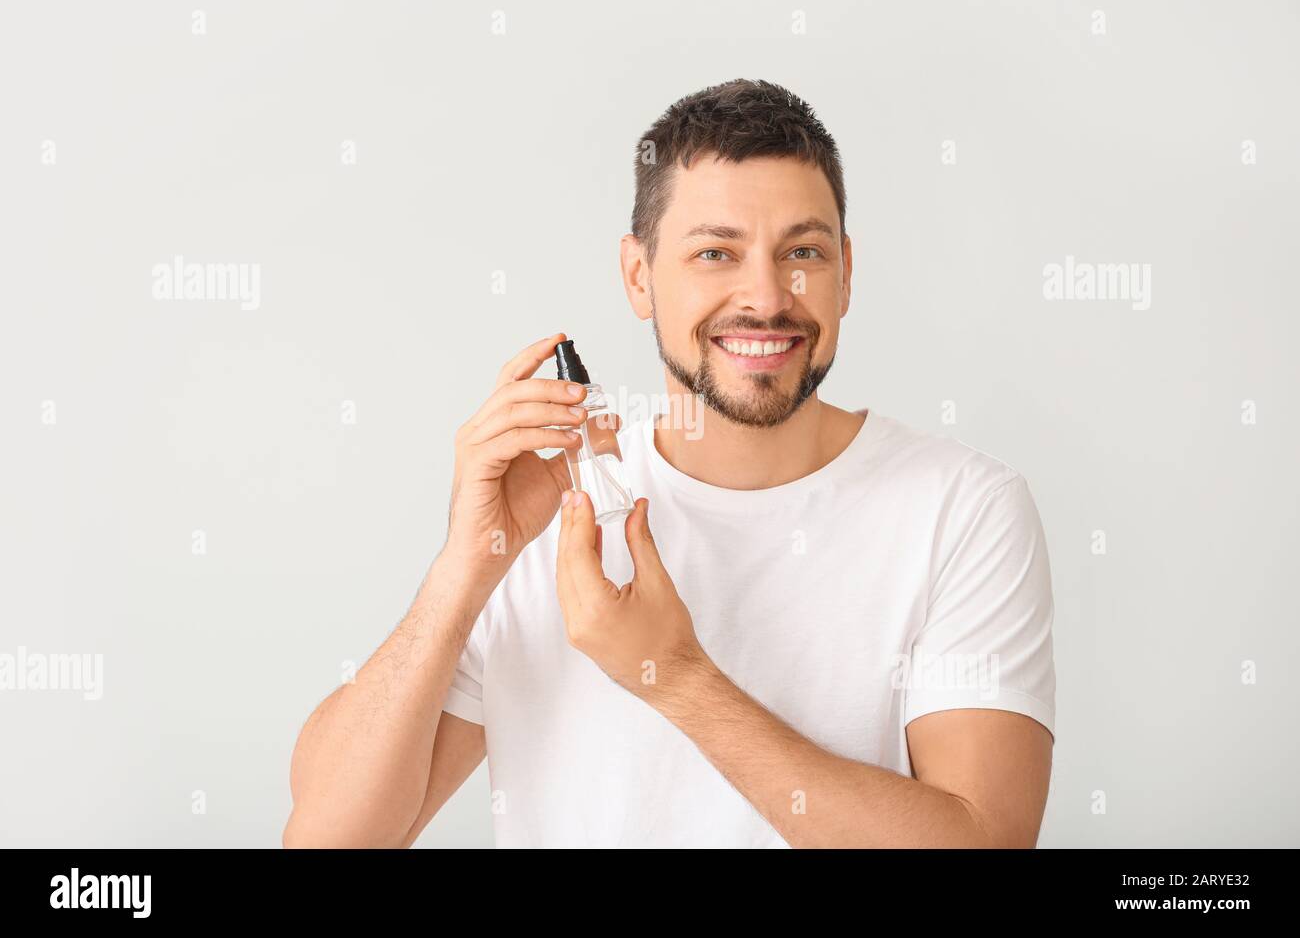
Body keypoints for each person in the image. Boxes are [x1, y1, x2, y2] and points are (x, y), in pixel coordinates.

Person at [284, 78, 1055, 848]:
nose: (766, 295)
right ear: (638, 276)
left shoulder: (963, 507)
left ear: (846, 273)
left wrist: (678, 677)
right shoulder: (552, 506)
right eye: (715, 252)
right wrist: (465, 566)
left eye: (804, 252)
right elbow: (327, 840)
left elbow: (985, 841)